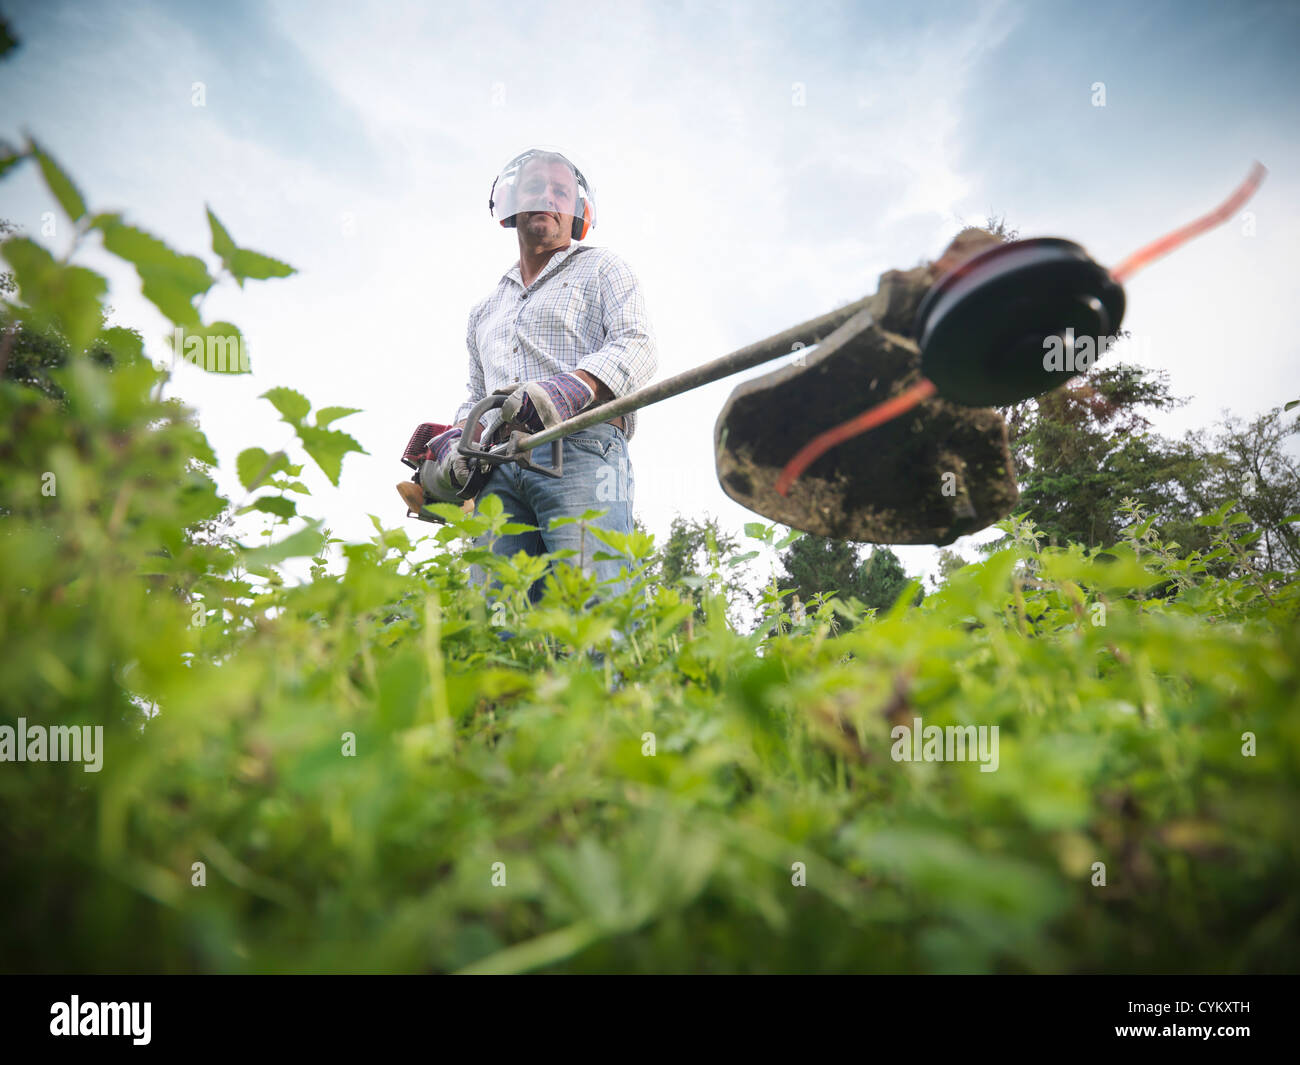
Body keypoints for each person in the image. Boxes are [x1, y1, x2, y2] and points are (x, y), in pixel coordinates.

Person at [418, 146, 658, 605]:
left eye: (560, 191)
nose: (547, 197)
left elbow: (638, 344)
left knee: (592, 600)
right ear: (511, 204)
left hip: (582, 447)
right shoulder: (486, 310)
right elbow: (475, 396)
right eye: (535, 188)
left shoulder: (603, 269)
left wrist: (565, 391)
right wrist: (455, 442)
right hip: (499, 467)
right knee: (497, 618)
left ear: (578, 211)